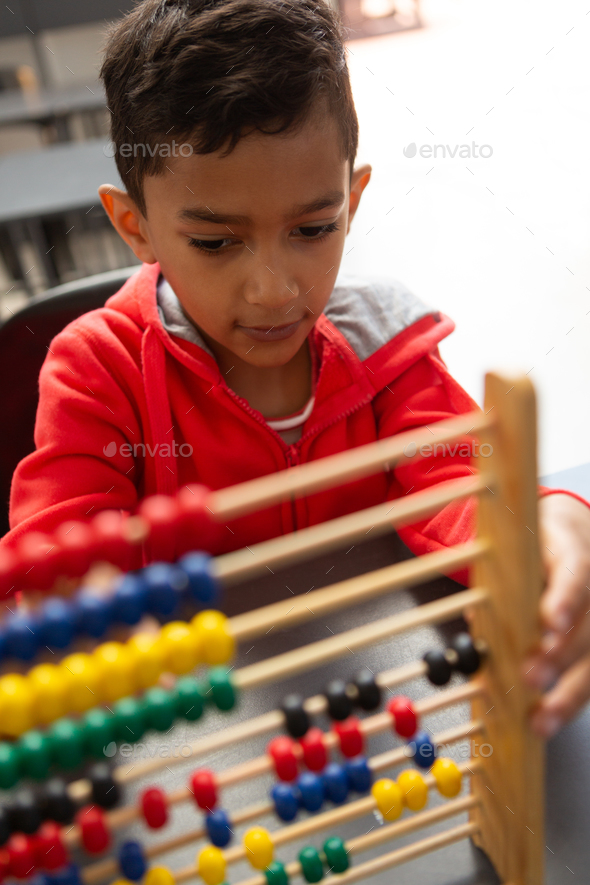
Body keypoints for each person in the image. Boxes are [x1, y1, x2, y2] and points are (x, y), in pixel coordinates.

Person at [3, 0, 590, 740]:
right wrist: (96, 615)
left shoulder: (388, 352)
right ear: (136, 227)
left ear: (353, 198)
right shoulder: (101, 371)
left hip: (378, 726)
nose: (275, 289)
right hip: (203, 748)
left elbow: (460, 476)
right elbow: (64, 542)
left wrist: (543, 523)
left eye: (313, 229)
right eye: (217, 242)